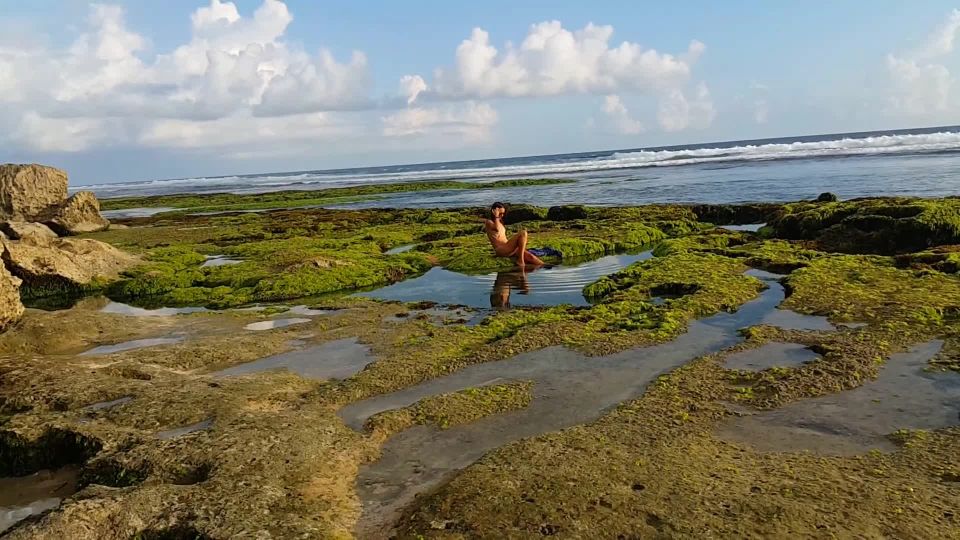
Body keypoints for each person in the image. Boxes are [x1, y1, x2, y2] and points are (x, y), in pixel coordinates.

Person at [484, 202, 545, 269]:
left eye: (503, 214)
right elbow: (497, 229)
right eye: (500, 213)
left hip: (508, 246)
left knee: (531, 257)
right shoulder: (489, 222)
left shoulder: (499, 221)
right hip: (501, 250)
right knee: (523, 233)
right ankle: (520, 260)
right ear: (494, 211)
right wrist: (496, 216)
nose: (502, 215)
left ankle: (548, 266)